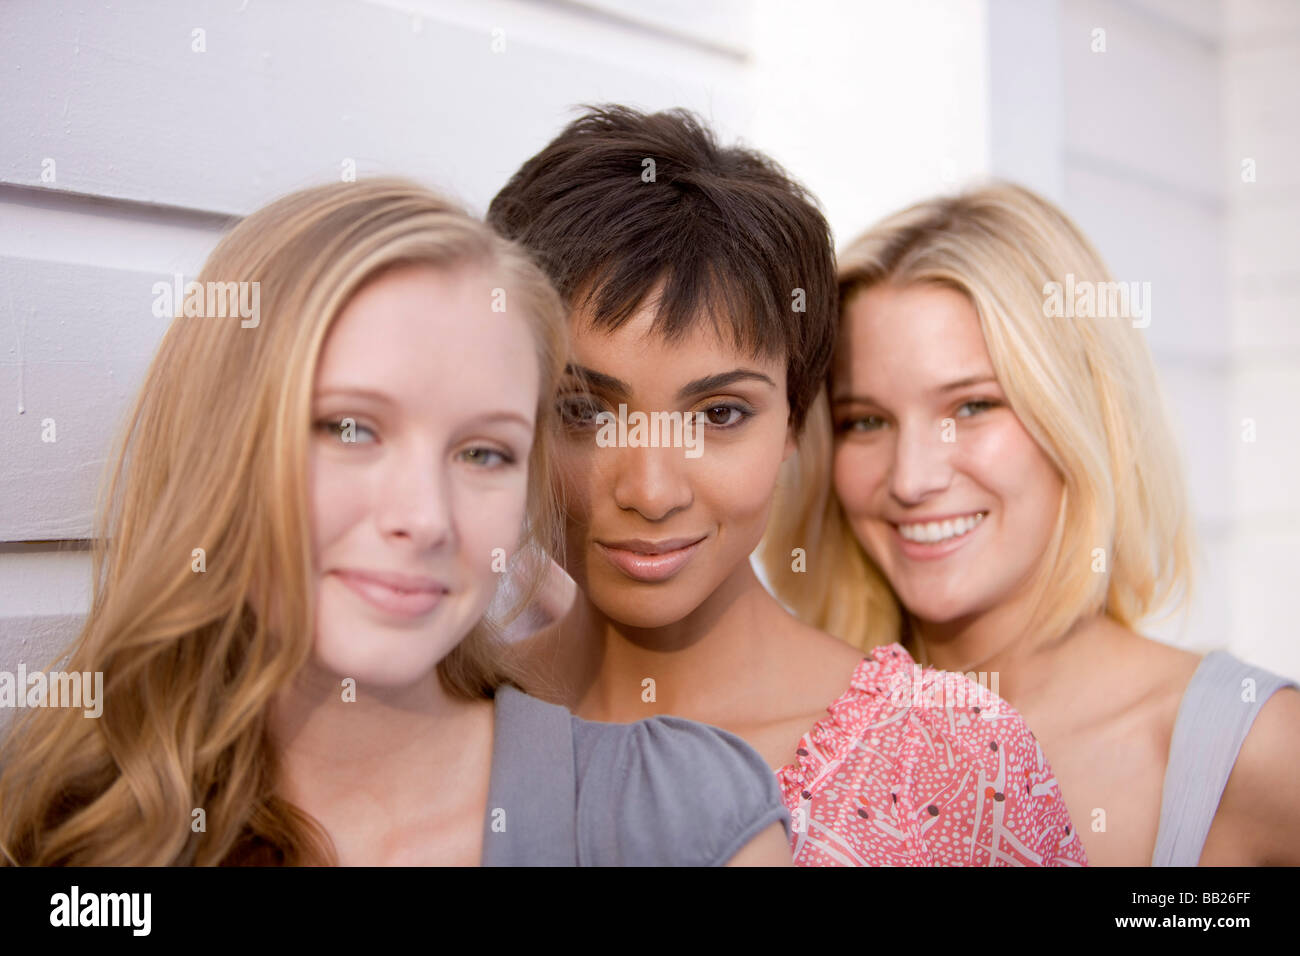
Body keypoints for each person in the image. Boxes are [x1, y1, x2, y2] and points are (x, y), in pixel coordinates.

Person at [0, 178, 791, 866]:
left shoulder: (677, 819)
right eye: (352, 430)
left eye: (483, 453)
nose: (425, 518)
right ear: (221, 447)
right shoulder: (64, 832)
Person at [489, 106, 1086, 866]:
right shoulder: (431, 710)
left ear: (795, 426)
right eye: (585, 412)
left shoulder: (955, 761)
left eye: (720, 414)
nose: (651, 488)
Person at [760, 181, 1300, 865]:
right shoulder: (791, 734)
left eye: (973, 407)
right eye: (865, 421)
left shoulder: (1254, 751)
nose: (911, 478)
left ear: (1081, 416)